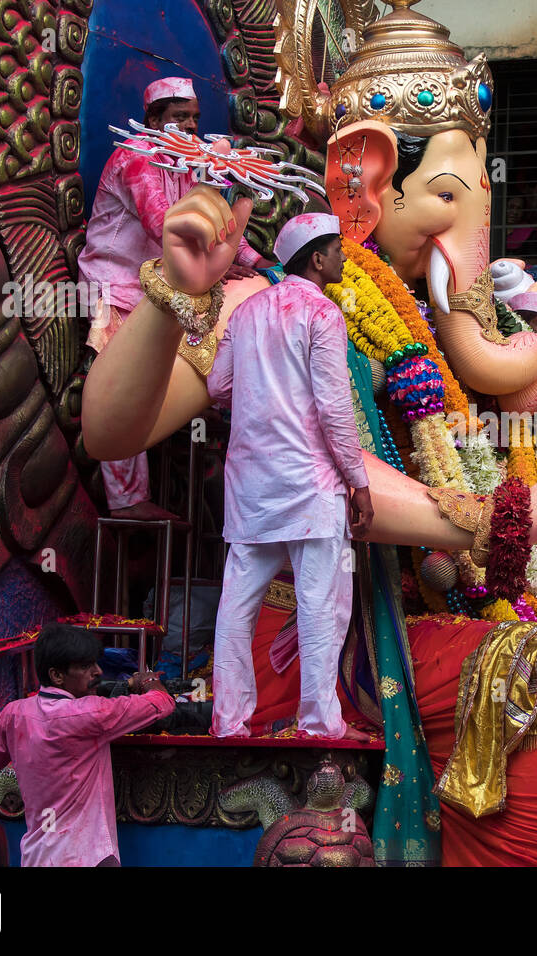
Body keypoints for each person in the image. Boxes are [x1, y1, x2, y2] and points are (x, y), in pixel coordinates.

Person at [203, 213, 374, 742]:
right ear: (317, 260)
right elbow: (334, 408)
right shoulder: (321, 311)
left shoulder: (247, 311)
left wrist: (261, 398)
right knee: (321, 606)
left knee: (237, 607)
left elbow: (217, 385)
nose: (344, 259)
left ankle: (228, 723)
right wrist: (359, 481)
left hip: (252, 487)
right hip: (311, 484)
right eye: (337, 251)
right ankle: (320, 725)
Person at [77, 77, 267, 520]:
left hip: (166, 287)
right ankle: (127, 503)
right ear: (154, 120)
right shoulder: (135, 160)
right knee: (121, 377)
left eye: (196, 118)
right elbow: (164, 226)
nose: (191, 126)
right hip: (117, 285)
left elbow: (218, 232)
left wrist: (259, 263)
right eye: (180, 117)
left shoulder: (186, 167)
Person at [0, 623, 173, 866]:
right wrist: (149, 680)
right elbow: (162, 702)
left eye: (94, 663)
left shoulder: (14, 714)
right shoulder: (91, 714)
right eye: (85, 666)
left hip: (38, 856)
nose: (97, 671)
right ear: (57, 675)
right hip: (87, 857)